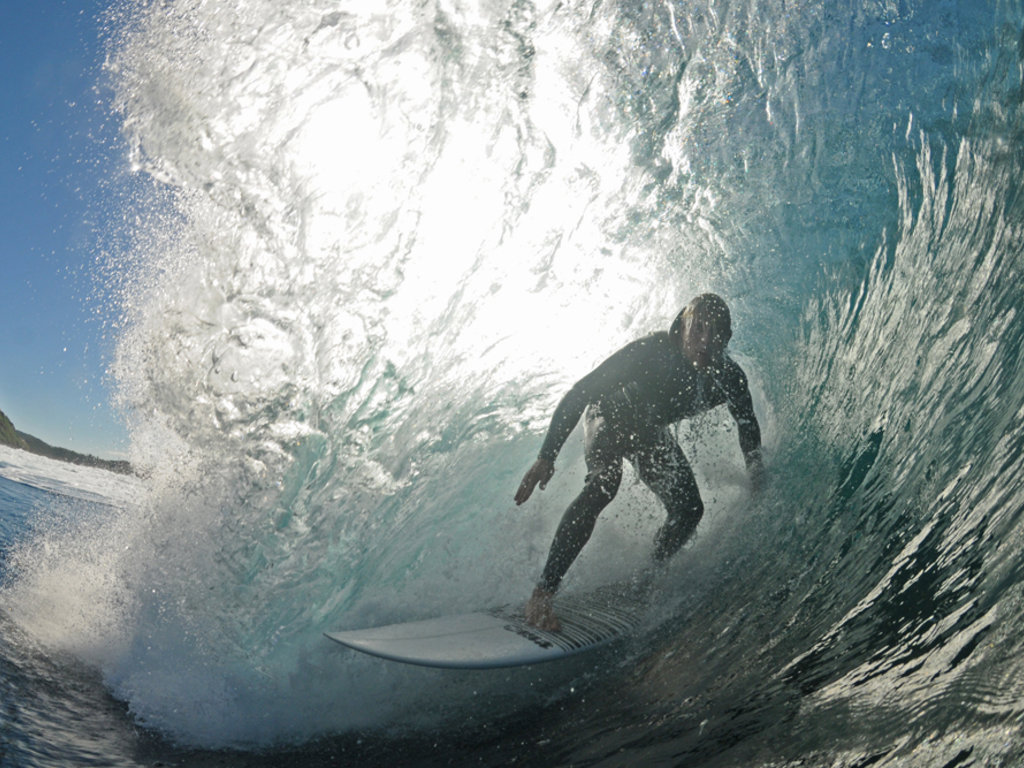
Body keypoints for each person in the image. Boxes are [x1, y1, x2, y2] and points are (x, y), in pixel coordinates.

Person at [513, 293, 763, 631]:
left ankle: (647, 577)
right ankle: (542, 594)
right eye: (698, 329)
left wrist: (756, 473)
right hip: (608, 415)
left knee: (689, 510)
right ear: (682, 327)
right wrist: (546, 456)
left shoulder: (728, 377)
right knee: (604, 484)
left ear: (727, 338)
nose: (705, 341)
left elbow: (747, 423)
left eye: (716, 332)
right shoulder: (651, 352)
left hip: (647, 433)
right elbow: (581, 392)